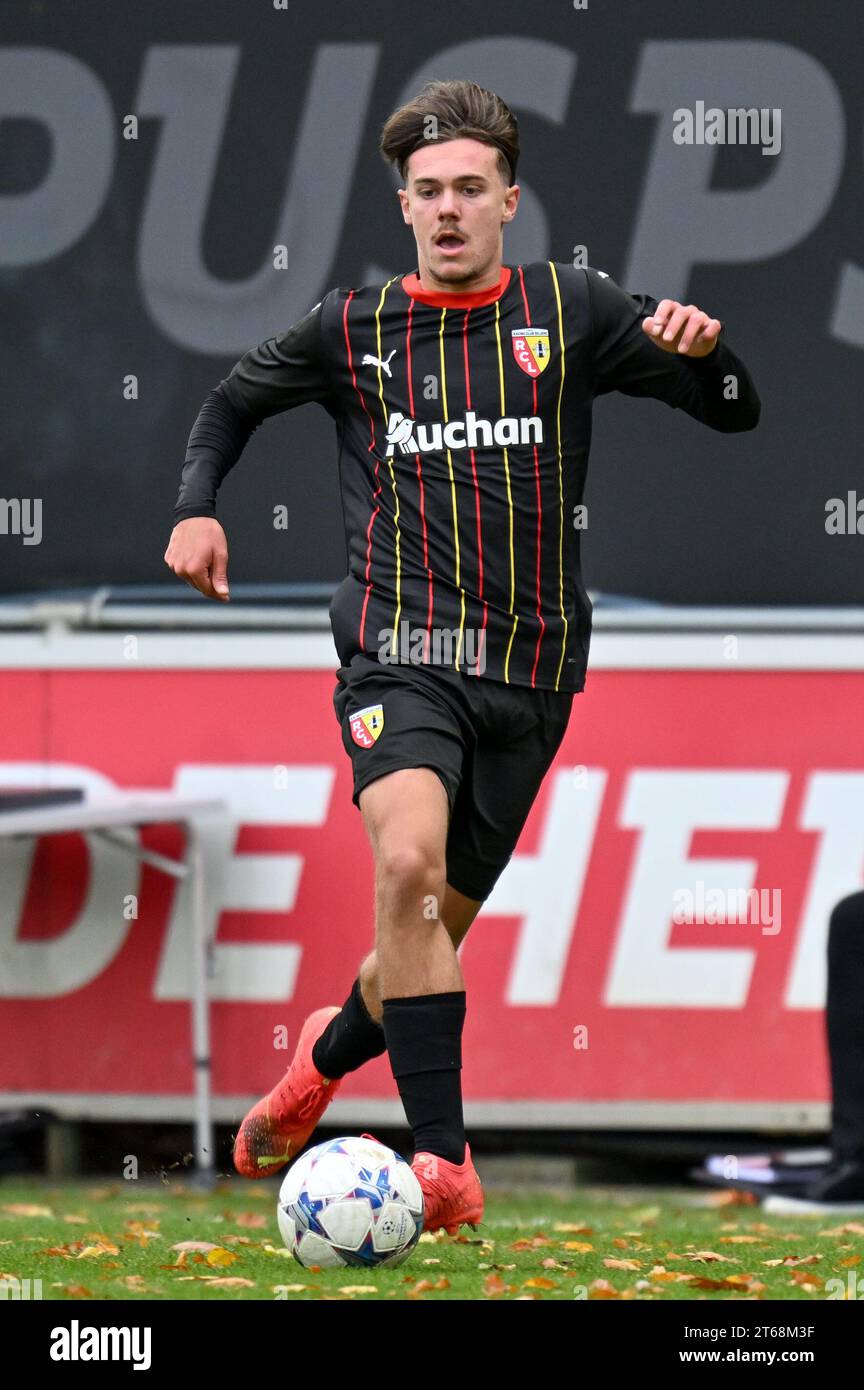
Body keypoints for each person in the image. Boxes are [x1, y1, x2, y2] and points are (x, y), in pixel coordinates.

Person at [164, 79, 760, 1235]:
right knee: (406, 874)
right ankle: (445, 1162)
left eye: (469, 190)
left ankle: (320, 1065)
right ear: (404, 206)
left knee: (418, 943)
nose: (448, 210)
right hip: (400, 655)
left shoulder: (570, 310)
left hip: (534, 679)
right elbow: (227, 405)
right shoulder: (353, 327)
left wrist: (715, 356)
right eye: (427, 192)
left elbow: (732, 411)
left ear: (509, 201)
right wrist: (197, 508)